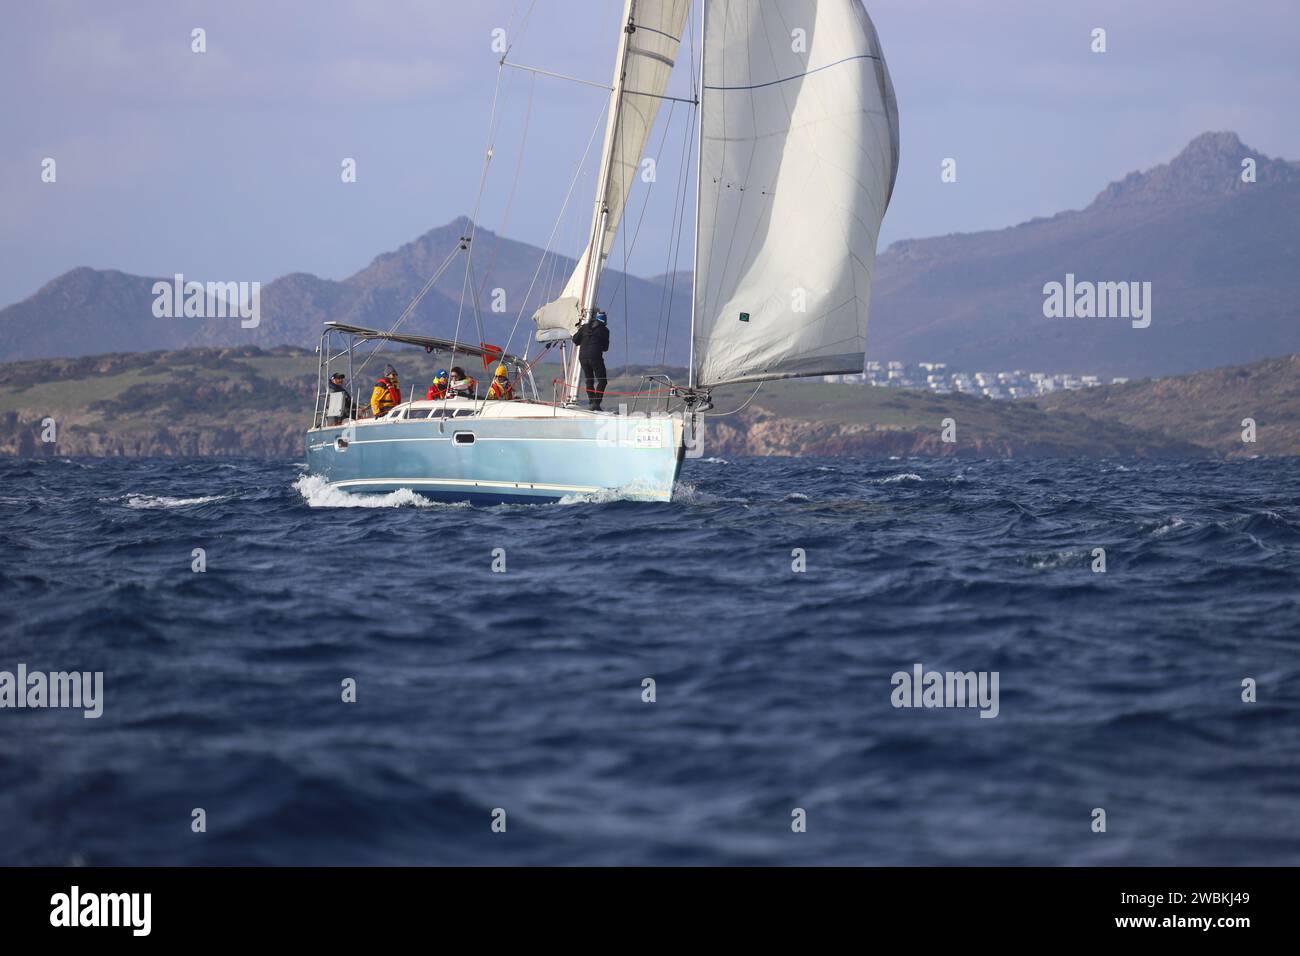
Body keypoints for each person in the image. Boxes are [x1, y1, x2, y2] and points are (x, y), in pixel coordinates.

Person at [572, 309, 610, 411]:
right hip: (595, 357)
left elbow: (575, 340)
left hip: (583, 357)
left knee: (589, 380)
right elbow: (605, 348)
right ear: (604, 321)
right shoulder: (605, 330)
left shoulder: (584, 328)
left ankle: (591, 401)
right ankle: (596, 403)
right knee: (602, 381)